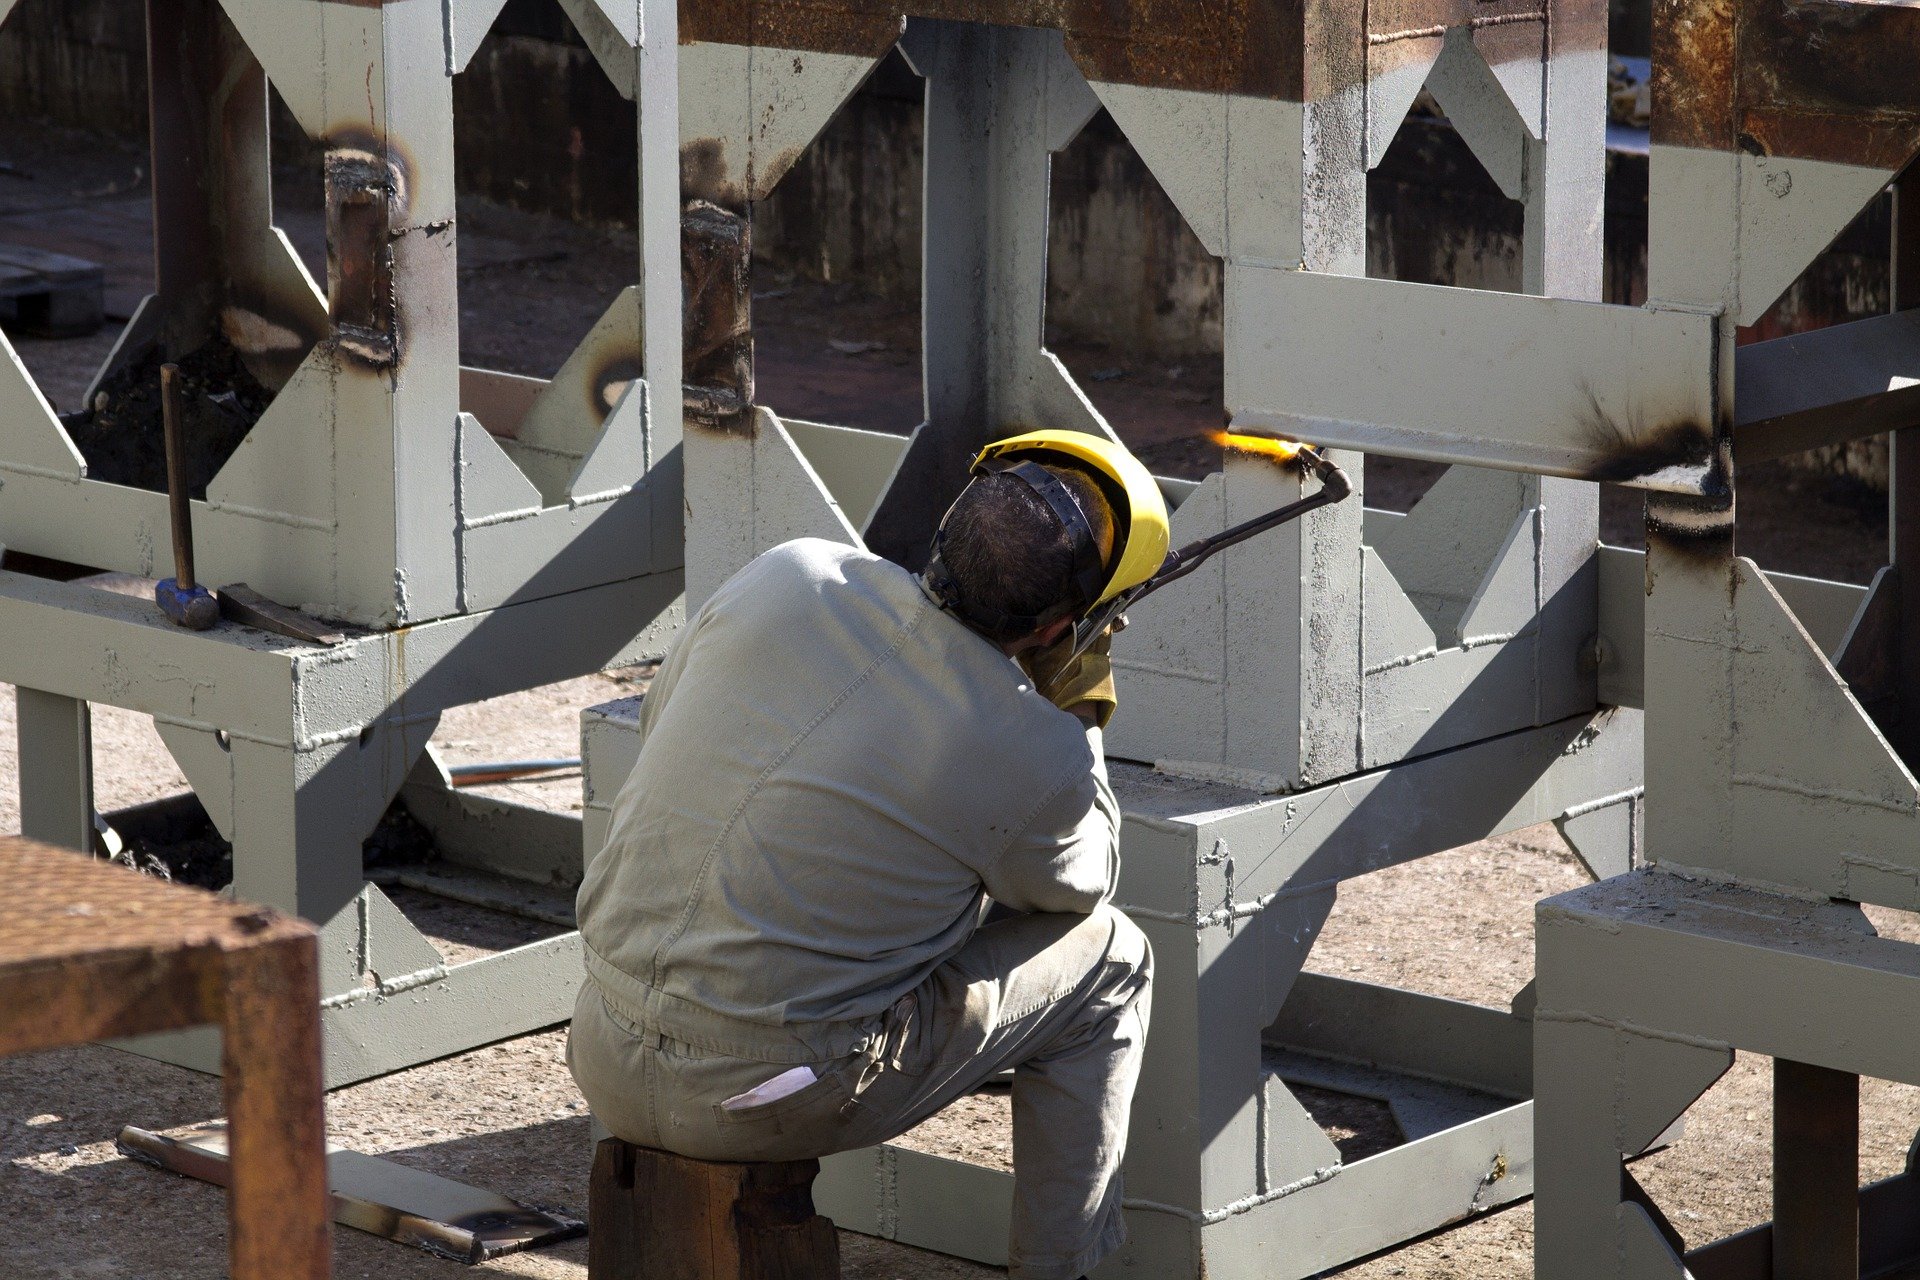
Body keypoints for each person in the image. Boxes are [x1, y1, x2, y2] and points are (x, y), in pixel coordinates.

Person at [568, 430, 1169, 1280]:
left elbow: (662, 720)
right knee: (1115, 961)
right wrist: (1078, 718)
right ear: (1064, 626)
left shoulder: (790, 570)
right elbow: (1082, 884)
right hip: (763, 1097)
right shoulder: (1029, 744)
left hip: (600, 1038)